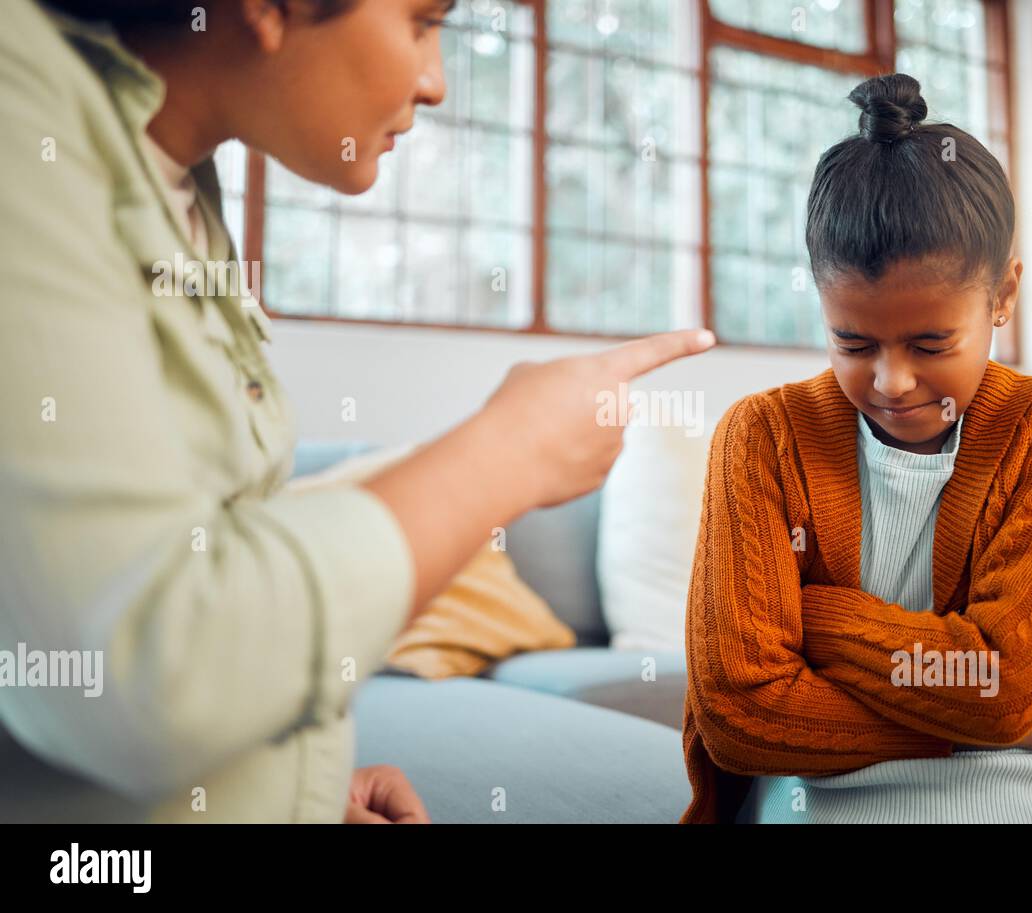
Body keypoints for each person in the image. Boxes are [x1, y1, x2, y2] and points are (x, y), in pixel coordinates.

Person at [0, 0, 713, 823]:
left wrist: (291, 783)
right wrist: (512, 449)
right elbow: (133, 672)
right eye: (420, 20)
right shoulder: (26, 116)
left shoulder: (176, 178)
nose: (437, 81)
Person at [680, 74, 1032, 824]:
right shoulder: (762, 437)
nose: (892, 380)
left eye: (930, 342)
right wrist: (986, 726)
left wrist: (818, 622)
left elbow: (1005, 683)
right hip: (811, 802)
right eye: (853, 341)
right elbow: (736, 714)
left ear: (1004, 295)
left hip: (1022, 798)